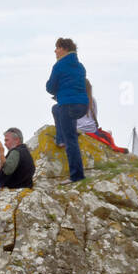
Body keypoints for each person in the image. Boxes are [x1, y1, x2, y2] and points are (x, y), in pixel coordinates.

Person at [46, 36, 89, 182]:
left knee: (71, 141)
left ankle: (76, 176)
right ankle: (60, 138)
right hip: (82, 105)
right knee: (55, 109)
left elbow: (50, 87)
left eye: (57, 48)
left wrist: (56, 89)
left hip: (68, 105)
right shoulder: (80, 66)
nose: (55, 51)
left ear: (64, 49)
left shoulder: (58, 66)